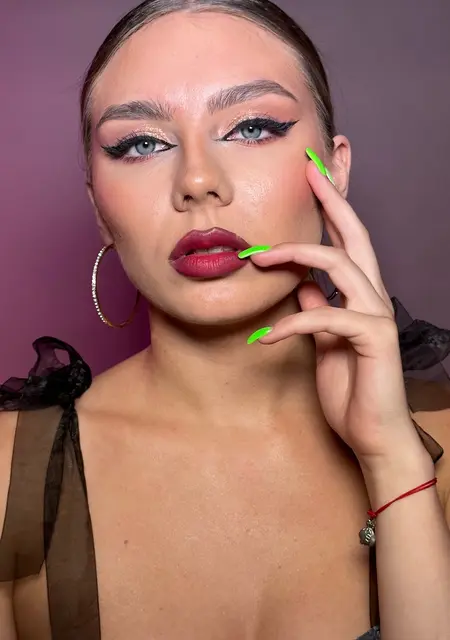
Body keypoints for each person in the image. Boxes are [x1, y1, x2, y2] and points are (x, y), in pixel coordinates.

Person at [1, 1, 450, 638]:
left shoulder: (434, 442)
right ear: (99, 208)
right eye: (141, 144)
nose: (197, 180)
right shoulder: (8, 474)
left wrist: (392, 460)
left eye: (252, 128)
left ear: (334, 169)